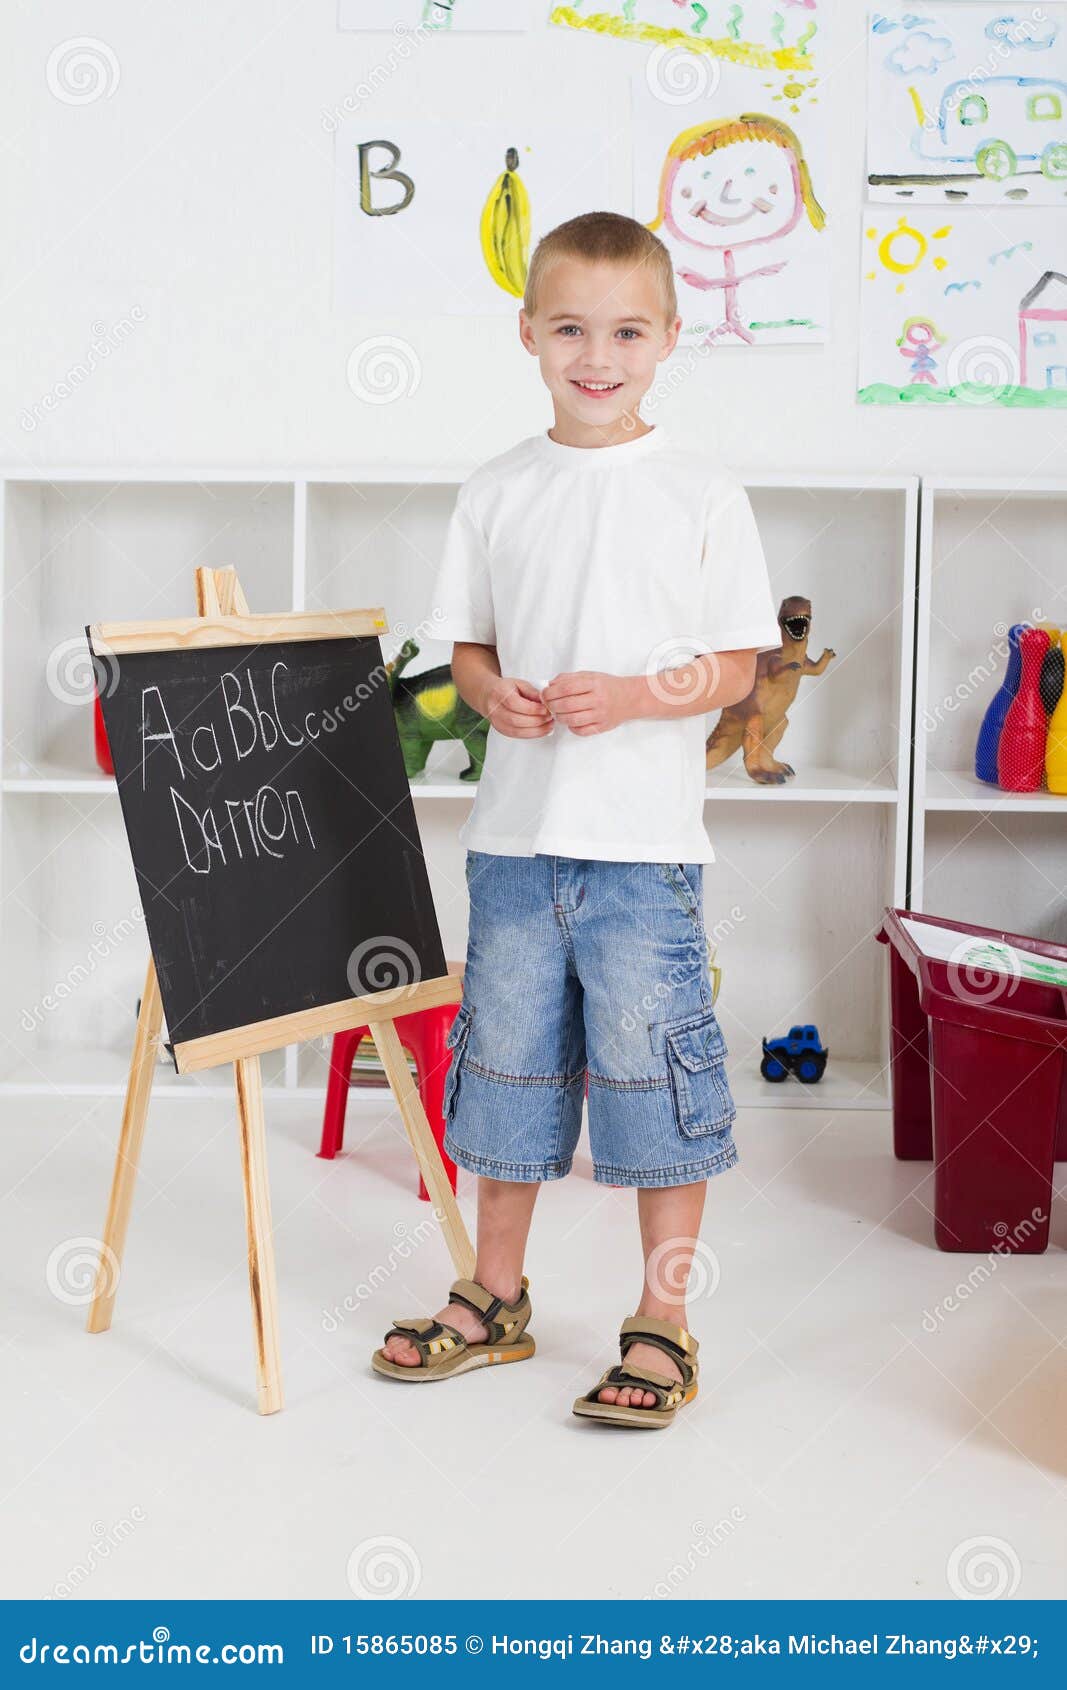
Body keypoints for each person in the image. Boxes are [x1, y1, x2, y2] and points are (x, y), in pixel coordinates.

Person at [371, 210, 782, 1428]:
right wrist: (488, 691)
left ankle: (662, 1321)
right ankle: (493, 1295)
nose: (595, 356)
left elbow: (736, 665)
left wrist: (637, 695)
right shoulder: (497, 488)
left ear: (668, 339)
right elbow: (468, 646)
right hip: (513, 847)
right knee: (504, 1071)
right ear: (527, 334)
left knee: (654, 1084)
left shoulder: (701, 490)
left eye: (625, 332)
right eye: (568, 329)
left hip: (641, 856)